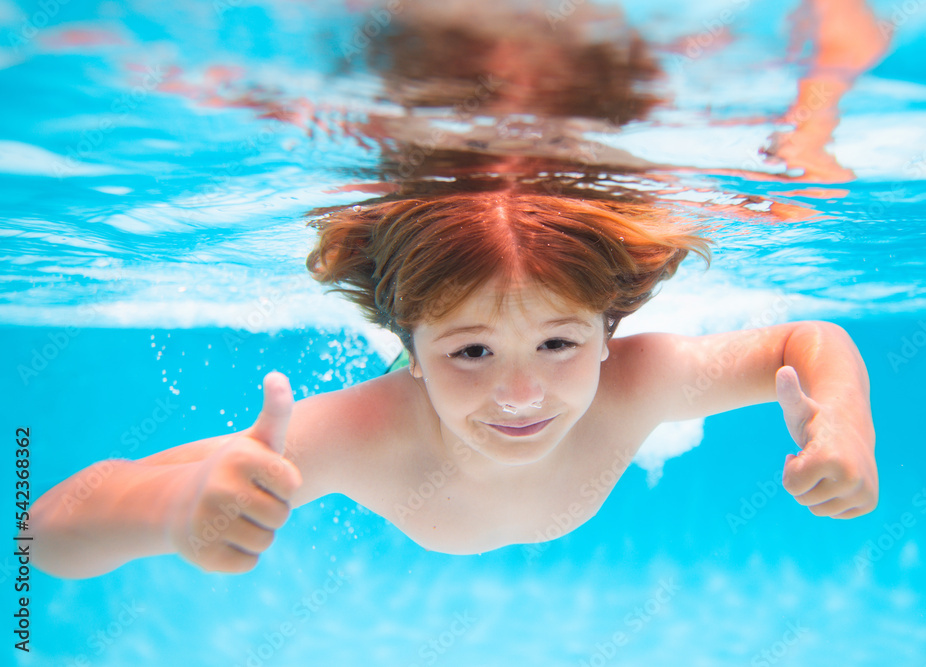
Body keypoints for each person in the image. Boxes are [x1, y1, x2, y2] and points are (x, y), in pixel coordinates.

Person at [29, 185, 877, 579]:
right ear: (408, 342)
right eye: (470, 353)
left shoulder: (637, 380)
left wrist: (843, 423)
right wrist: (172, 511)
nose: (520, 395)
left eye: (557, 343)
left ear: (608, 330)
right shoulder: (366, 432)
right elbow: (46, 532)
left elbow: (809, 340)